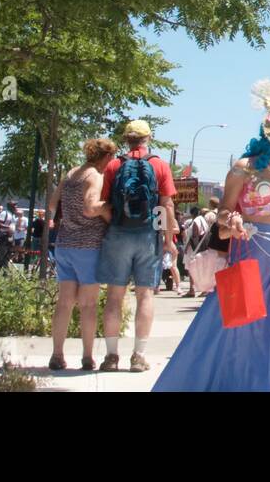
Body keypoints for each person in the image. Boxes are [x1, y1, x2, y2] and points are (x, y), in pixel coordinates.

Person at [153, 81, 270, 391]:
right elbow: (223, 215)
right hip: (248, 257)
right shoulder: (244, 169)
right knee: (241, 330)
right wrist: (235, 219)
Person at [97, 120, 177, 373]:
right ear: (147, 138)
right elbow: (166, 206)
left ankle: (111, 357)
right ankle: (138, 356)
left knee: (114, 296)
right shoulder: (160, 165)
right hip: (148, 235)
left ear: (126, 139)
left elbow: (103, 203)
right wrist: (168, 239)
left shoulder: (113, 165)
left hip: (118, 233)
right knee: (145, 295)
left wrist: (115, 224)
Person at [46, 137, 115, 370]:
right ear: (106, 156)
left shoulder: (71, 174)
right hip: (88, 246)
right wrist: (108, 210)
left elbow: (52, 205)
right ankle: (87, 357)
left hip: (64, 244)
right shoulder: (94, 176)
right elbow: (90, 206)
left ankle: (57, 355)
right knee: (88, 304)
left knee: (64, 303)